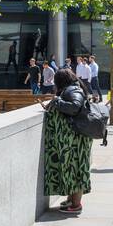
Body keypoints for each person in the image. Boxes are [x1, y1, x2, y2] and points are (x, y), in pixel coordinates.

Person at [42, 68, 93, 213]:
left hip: (77, 138)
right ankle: (72, 200)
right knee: (70, 168)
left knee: (76, 169)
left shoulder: (73, 90)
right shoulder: (72, 88)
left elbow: (75, 107)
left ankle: (76, 205)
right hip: (75, 137)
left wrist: (57, 100)